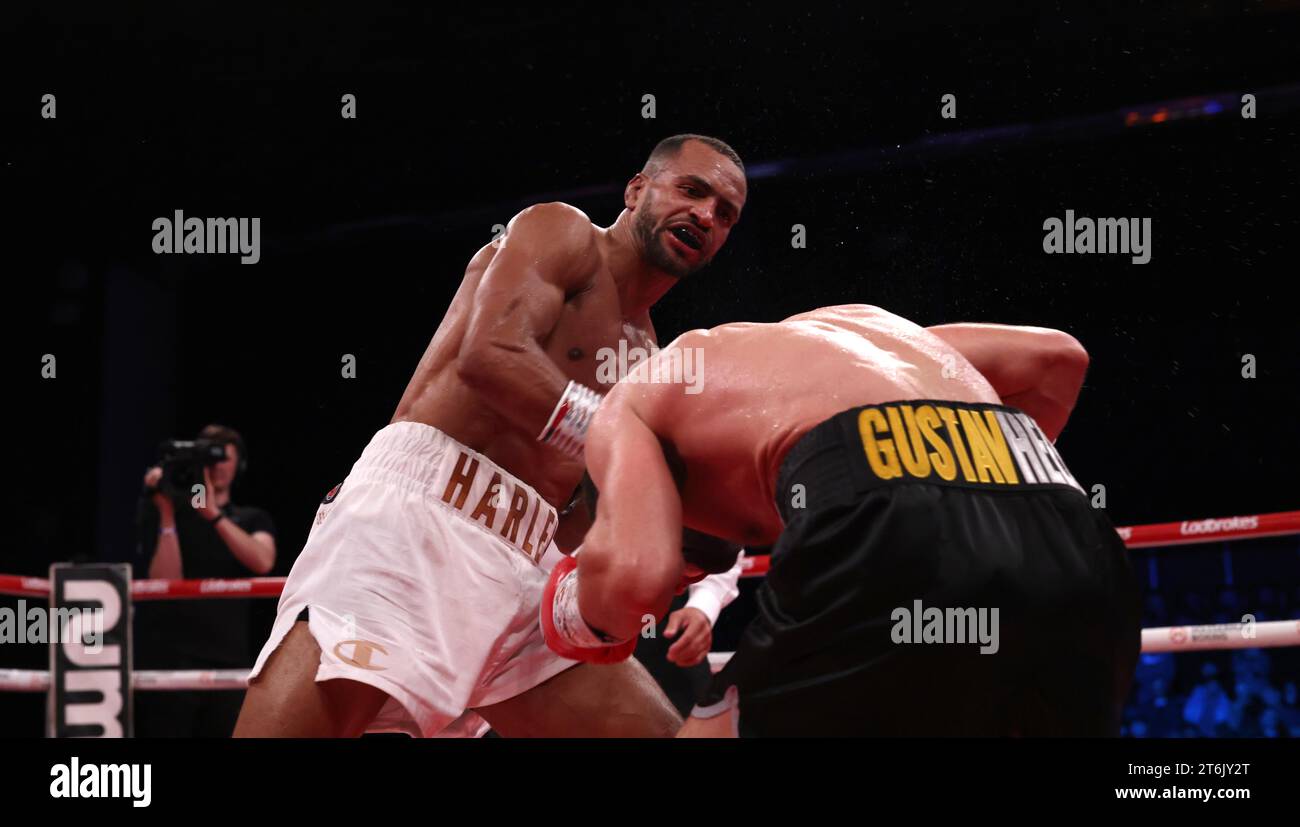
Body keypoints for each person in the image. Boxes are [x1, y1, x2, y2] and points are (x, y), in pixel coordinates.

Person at [234, 134, 748, 737]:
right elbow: (491, 354)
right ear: (637, 189)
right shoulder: (562, 234)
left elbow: (579, 508)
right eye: (692, 190)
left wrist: (659, 544)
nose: (706, 215)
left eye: (725, 214)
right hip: (420, 518)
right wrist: (621, 443)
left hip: (527, 563)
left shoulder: (648, 359)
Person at [541, 304, 1141, 736]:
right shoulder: (878, 336)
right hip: (1069, 524)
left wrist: (577, 614)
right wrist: (979, 489)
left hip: (887, 513)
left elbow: (634, 575)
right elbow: (1058, 359)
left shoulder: (632, 400)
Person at [136, 423, 276, 736]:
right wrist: (167, 513)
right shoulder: (165, 511)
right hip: (172, 658)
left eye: (222, 457)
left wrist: (212, 513)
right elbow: (164, 582)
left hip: (228, 659)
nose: (216, 466)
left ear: (238, 464)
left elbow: (263, 561)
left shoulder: (252, 518)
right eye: (208, 459)